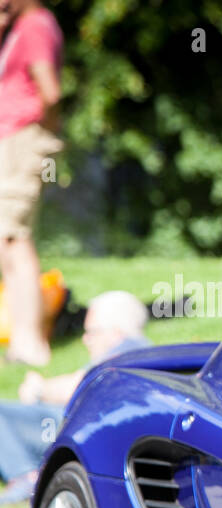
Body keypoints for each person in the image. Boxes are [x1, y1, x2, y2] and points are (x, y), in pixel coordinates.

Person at [0, 291, 150, 504]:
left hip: (78, 429)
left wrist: (39, 389)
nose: (85, 339)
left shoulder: (128, 350)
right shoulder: (144, 353)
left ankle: (25, 477)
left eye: (92, 332)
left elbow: (79, 387)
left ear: (115, 333)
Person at [0, 0, 64, 367]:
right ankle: (23, 338)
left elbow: (50, 92)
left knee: (13, 237)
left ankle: (31, 343)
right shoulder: (21, 26)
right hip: (14, 139)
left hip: (23, 139)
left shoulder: (36, 24)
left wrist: (42, 134)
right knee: (6, 236)